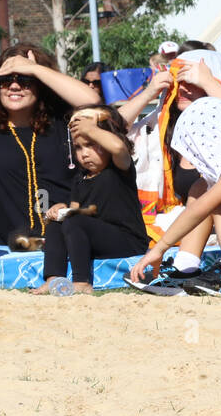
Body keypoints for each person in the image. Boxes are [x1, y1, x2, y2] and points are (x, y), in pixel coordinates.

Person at [0, 43, 101, 245]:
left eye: (25, 79)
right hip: (13, 251)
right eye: (6, 79)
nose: (14, 86)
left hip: (73, 241)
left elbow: (93, 101)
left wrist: (36, 68)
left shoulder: (63, 120)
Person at [128, 49, 221, 288]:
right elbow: (112, 126)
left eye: (191, 83)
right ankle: (185, 266)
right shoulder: (165, 124)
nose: (181, 89)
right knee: (202, 188)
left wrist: (160, 247)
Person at [37, 106, 148, 294]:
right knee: (59, 221)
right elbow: (73, 213)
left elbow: (119, 147)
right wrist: (59, 209)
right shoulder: (80, 179)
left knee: (74, 221)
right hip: (95, 240)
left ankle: (82, 282)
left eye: (91, 144)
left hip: (127, 240)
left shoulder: (119, 168)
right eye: (79, 147)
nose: (84, 153)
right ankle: (53, 278)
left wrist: (90, 129)